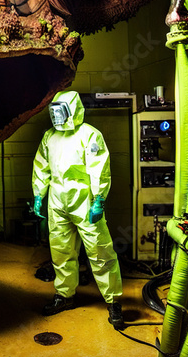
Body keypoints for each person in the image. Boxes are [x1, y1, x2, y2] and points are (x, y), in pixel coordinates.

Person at [31, 90, 124, 329]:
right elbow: (42, 167)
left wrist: (99, 199)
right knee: (61, 252)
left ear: (72, 109)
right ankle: (65, 296)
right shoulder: (49, 137)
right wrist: (39, 194)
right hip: (57, 201)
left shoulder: (89, 135)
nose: (56, 117)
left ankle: (114, 302)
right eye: (53, 112)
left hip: (84, 202)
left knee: (100, 252)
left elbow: (99, 168)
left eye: (60, 111)